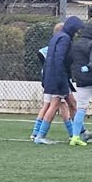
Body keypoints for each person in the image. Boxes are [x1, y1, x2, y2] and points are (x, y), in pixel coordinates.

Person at [35, 16, 83, 145]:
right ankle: (40, 136)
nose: (78, 32)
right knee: (54, 104)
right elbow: (59, 58)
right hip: (58, 76)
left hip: (58, 75)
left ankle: (80, 133)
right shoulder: (64, 39)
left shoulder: (59, 37)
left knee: (72, 103)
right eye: (77, 29)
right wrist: (60, 78)